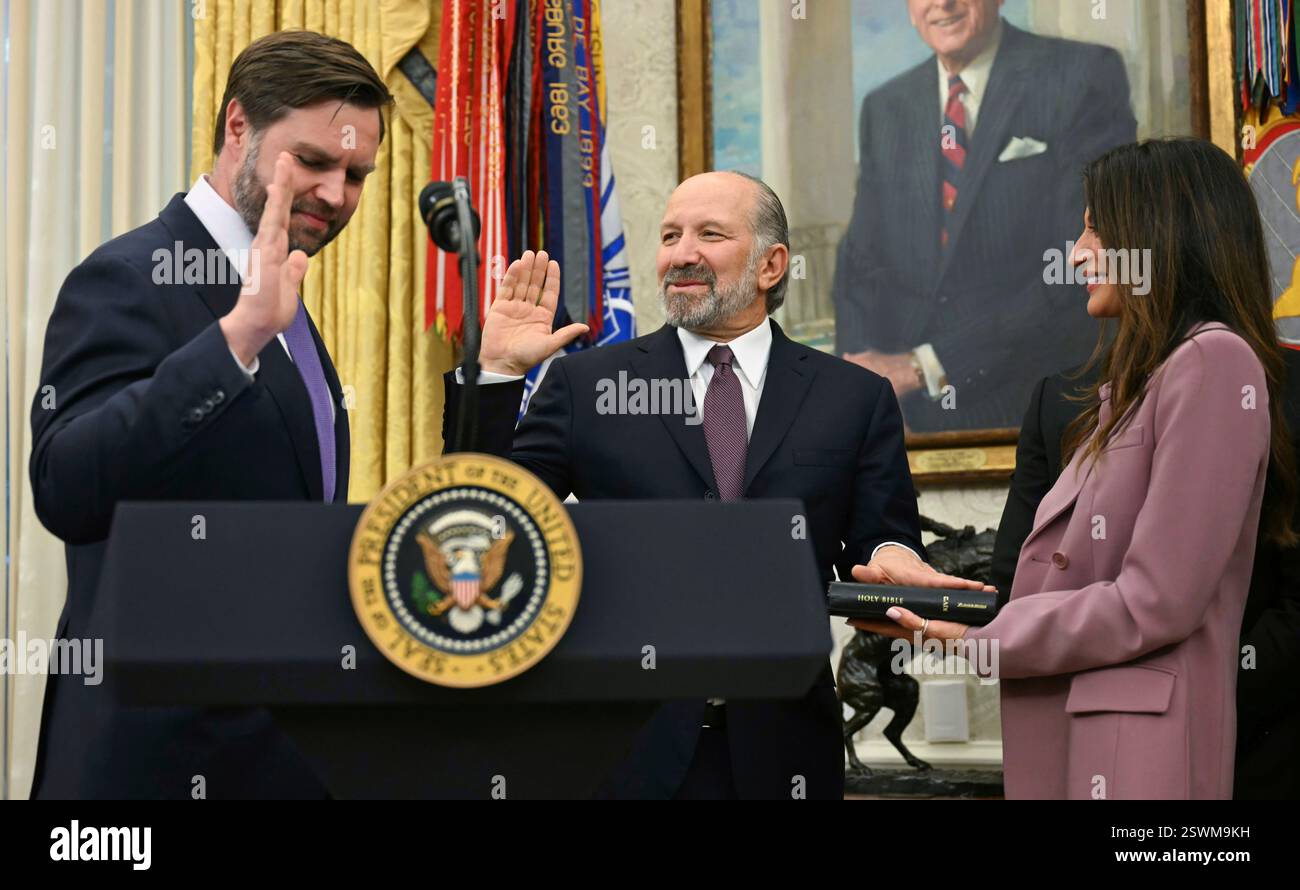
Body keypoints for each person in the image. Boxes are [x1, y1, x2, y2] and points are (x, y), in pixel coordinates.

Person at [443, 170, 991, 799]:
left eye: (709, 234)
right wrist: (496, 372)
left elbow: (880, 537)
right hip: (621, 750)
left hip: (786, 748)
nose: (682, 254)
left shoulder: (853, 398)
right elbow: (480, 518)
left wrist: (896, 558)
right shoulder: (588, 386)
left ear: (771, 264)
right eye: (670, 235)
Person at [857, 138, 1298, 799]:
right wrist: (935, 600)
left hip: (1142, 762)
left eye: (1095, 226)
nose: (1077, 253)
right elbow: (1060, 586)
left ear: (1156, 234)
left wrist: (983, 637)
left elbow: (1153, 603)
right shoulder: (1135, 387)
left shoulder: (1214, 363)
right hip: (1084, 741)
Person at [29, 31, 391, 799]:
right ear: (238, 127)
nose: (336, 193)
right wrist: (235, 339)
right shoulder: (129, 276)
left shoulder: (283, 304)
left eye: (357, 174)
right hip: (151, 764)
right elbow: (65, 483)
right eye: (315, 162)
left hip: (280, 759)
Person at [992, 355, 1300, 800]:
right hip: (1079, 733)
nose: (1086, 279)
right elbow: (1017, 579)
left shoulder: (1266, 381)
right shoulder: (1062, 394)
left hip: (1265, 736)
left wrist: (1202, 701)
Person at [832, 0, 1136, 431]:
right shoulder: (885, 107)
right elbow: (859, 265)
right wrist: (862, 381)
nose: (943, 3)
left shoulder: (1082, 76)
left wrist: (926, 365)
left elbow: (1078, 264)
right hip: (908, 417)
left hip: (1041, 409)